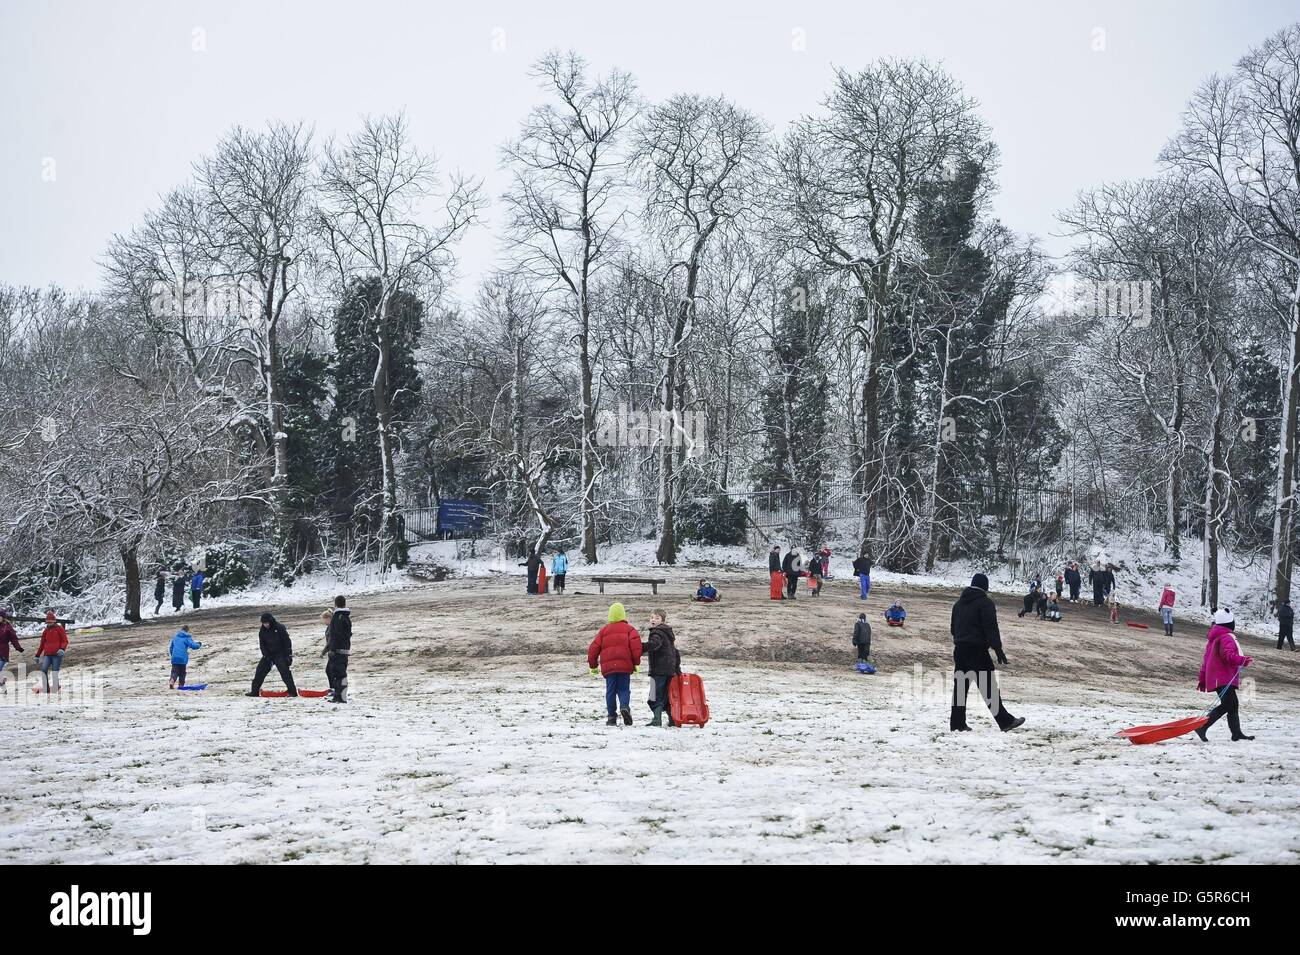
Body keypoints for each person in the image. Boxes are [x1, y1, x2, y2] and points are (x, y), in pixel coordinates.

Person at [949, 573, 1025, 732]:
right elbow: (991, 628)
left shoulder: (958, 604)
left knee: (960, 688)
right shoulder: (985, 603)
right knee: (989, 687)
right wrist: (998, 650)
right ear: (985, 587)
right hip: (977, 650)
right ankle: (1005, 722)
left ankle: (957, 724)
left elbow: (953, 629)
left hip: (960, 649)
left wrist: (961, 641)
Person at [1196, 608, 1254, 742]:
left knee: (1233, 704)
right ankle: (1202, 727)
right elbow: (1228, 656)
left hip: (1218, 677)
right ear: (1229, 623)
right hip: (1222, 677)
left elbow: (1206, 659)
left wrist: (1203, 677)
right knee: (1229, 704)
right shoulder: (1226, 636)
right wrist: (1242, 660)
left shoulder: (1216, 636)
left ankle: (1236, 733)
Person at [587, 602, 641, 726]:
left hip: (609, 668)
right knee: (624, 689)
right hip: (625, 666)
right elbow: (636, 648)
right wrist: (636, 663)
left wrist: (593, 666)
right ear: (623, 615)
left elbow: (593, 650)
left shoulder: (604, 631)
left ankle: (611, 717)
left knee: (610, 691)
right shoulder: (630, 630)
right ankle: (624, 706)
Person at [642, 609, 680, 727]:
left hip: (658, 669)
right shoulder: (668, 634)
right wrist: (676, 668)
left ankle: (657, 719)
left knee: (654, 695)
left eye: (657, 618)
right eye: (652, 617)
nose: (653, 620)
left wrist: (640, 647)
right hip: (669, 670)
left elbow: (654, 644)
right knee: (666, 695)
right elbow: (675, 652)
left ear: (662, 621)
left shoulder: (657, 632)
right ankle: (672, 719)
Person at [247, 612, 297, 697]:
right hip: (268, 655)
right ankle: (254, 691)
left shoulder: (280, 627)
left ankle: (292, 692)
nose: (265, 625)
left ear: (270, 621)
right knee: (259, 672)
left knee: (285, 673)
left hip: (280, 654)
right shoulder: (262, 630)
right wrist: (265, 654)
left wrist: (288, 655)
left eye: (266, 623)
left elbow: (287, 642)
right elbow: (262, 644)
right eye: (263, 623)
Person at [323, 595, 352, 704]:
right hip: (344, 649)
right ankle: (338, 696)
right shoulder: (345, 616)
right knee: (338, 673)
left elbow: (335, 636)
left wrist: (332, 649)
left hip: (338, 650)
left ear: (335, 604)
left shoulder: (338, 617)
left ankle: (341, 697)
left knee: (339, 674)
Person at [35, 610, 67, 694]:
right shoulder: (45, 631)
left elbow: (65, 641)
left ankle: (56, 687)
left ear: (54, 621)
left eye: (50, 622)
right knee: (43, 670)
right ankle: (46, 689)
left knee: (54, 672)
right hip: (47, 655)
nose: (49, 624)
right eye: (47, 622)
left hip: (57, 655)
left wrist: (62, 649)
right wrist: (37, 655)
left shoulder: (60, 629)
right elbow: (42, 644)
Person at [0, 609, 23, 687]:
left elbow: (13, 638)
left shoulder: (7, 627)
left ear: (3, 617)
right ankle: (3, 687)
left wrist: (18, 647)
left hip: (3, 652)